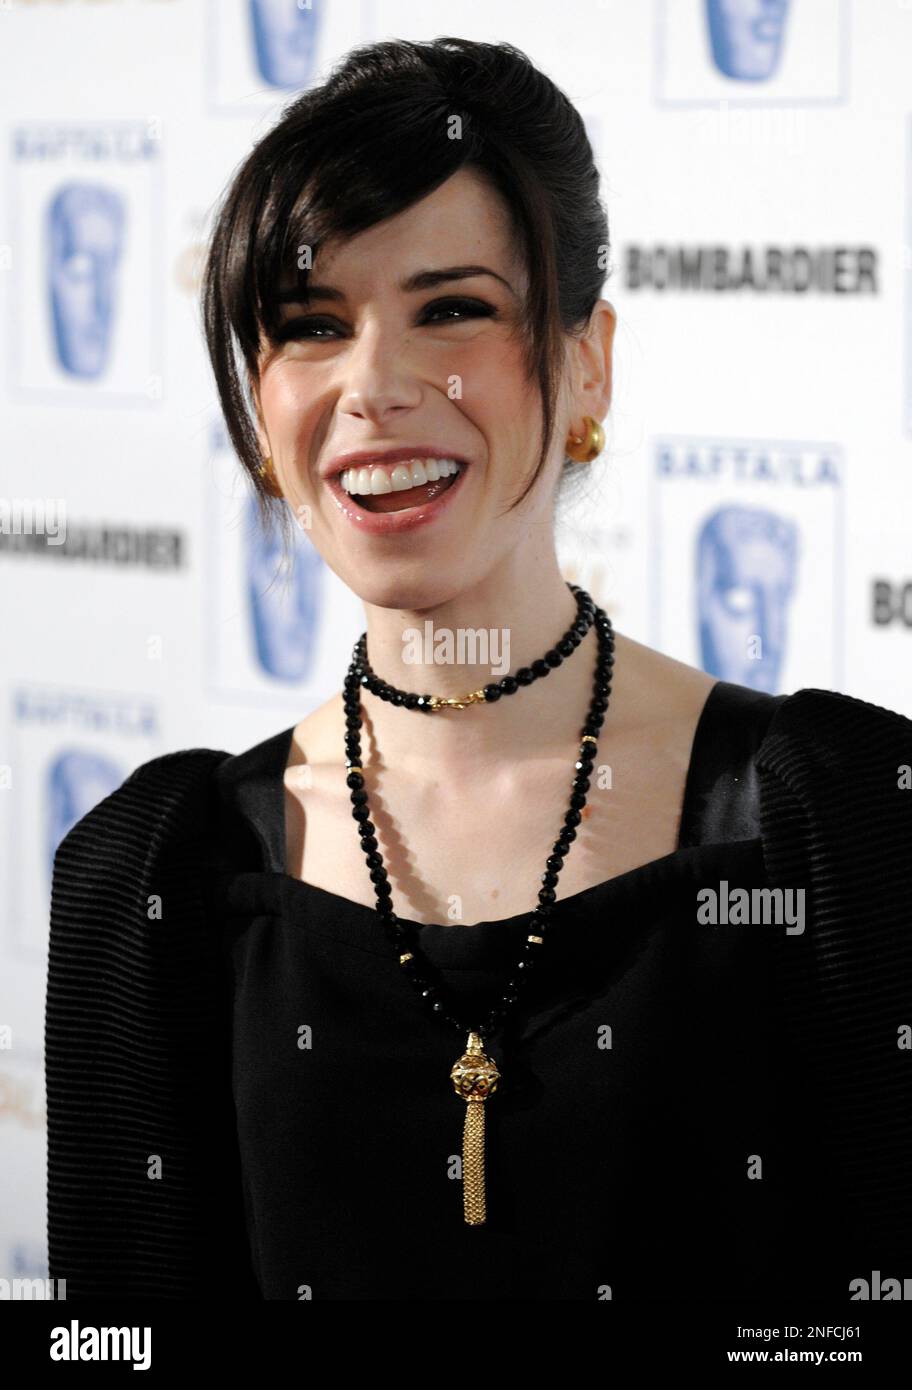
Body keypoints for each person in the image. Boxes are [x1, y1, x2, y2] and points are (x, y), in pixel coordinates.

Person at [46, 36, 912, 1302]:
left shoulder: (841, 823)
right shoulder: (155, 875)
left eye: (452, 309)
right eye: (310, 326)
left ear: (586, 362)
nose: (375, 386)